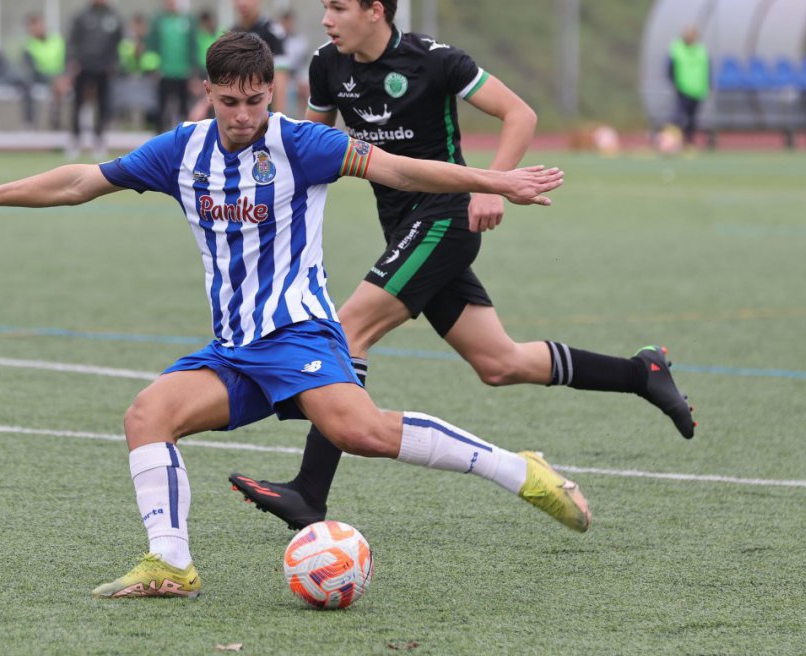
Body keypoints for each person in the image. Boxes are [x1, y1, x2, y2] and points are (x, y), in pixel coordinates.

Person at [0, 32, 583, 600]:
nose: (243, 115)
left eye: (256, 101)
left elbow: (402, 170)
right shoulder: (181, 151)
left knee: (364, 433)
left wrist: (496, 181)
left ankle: (519, 470)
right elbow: (79, 181)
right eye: (230, 101)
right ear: (208, 92)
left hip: (297, 333)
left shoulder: (303, 147)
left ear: (274, 92)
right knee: (147, 416)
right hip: (233, 349)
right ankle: (171, 564)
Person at [229, 0, 695, 531]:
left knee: (347, 330)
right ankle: (641, 373)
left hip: (446, 218)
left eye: (337, 7)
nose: (327, 19)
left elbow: (520, 113)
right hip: (404, 230)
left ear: (375, 10)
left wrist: (491, 185)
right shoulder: (326, 66)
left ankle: (310, 492)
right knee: (500, 363)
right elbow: (306, 147)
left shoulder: (434, 60)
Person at [66, 0, 124, 158]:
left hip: (104, 68)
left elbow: (119, 42)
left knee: (102, 105)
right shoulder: (82, 16)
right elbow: (72, 41)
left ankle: (99, 140)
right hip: (83, 67)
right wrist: (73, 62)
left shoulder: (113, 16)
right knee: (78, 104)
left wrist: (114, 63)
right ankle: (75, 140)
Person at [231, 0, 290, 113]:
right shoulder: (232, 33)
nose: (242, 3)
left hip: (263, 111)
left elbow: (280, 79)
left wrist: (278, 117)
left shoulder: (273, 32)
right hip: (238, 112)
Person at [148, 0, 198, 130]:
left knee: (183, 107)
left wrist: (193, 69)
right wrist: (154, 67)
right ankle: (159, 136)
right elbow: (152, 45)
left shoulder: (188, 21)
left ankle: (184, 136)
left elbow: (193, 46)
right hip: (164, 72)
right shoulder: (159, 21)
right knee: (162, 106)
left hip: (183, 72)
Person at [21, 13, 68, 131]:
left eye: (38, 25)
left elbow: (68, 59)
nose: (36, 29)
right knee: (26, 83)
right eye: (33, 27)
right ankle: (30, 123)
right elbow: (30, 67)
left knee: (61, 84)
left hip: (60, 75)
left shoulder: (57, 40)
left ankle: (56, 121)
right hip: (41, 76)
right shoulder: (29, 46)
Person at [667, 25, 710, 147]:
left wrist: (707, 84)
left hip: (698, 88)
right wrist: (674, 82)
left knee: (693, 118)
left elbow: (707, 68)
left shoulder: (701, 50)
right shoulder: (677, 48)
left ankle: (689, 140)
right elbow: (670, 68)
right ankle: (673, 141)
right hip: (683, 88)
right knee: (679, 116)